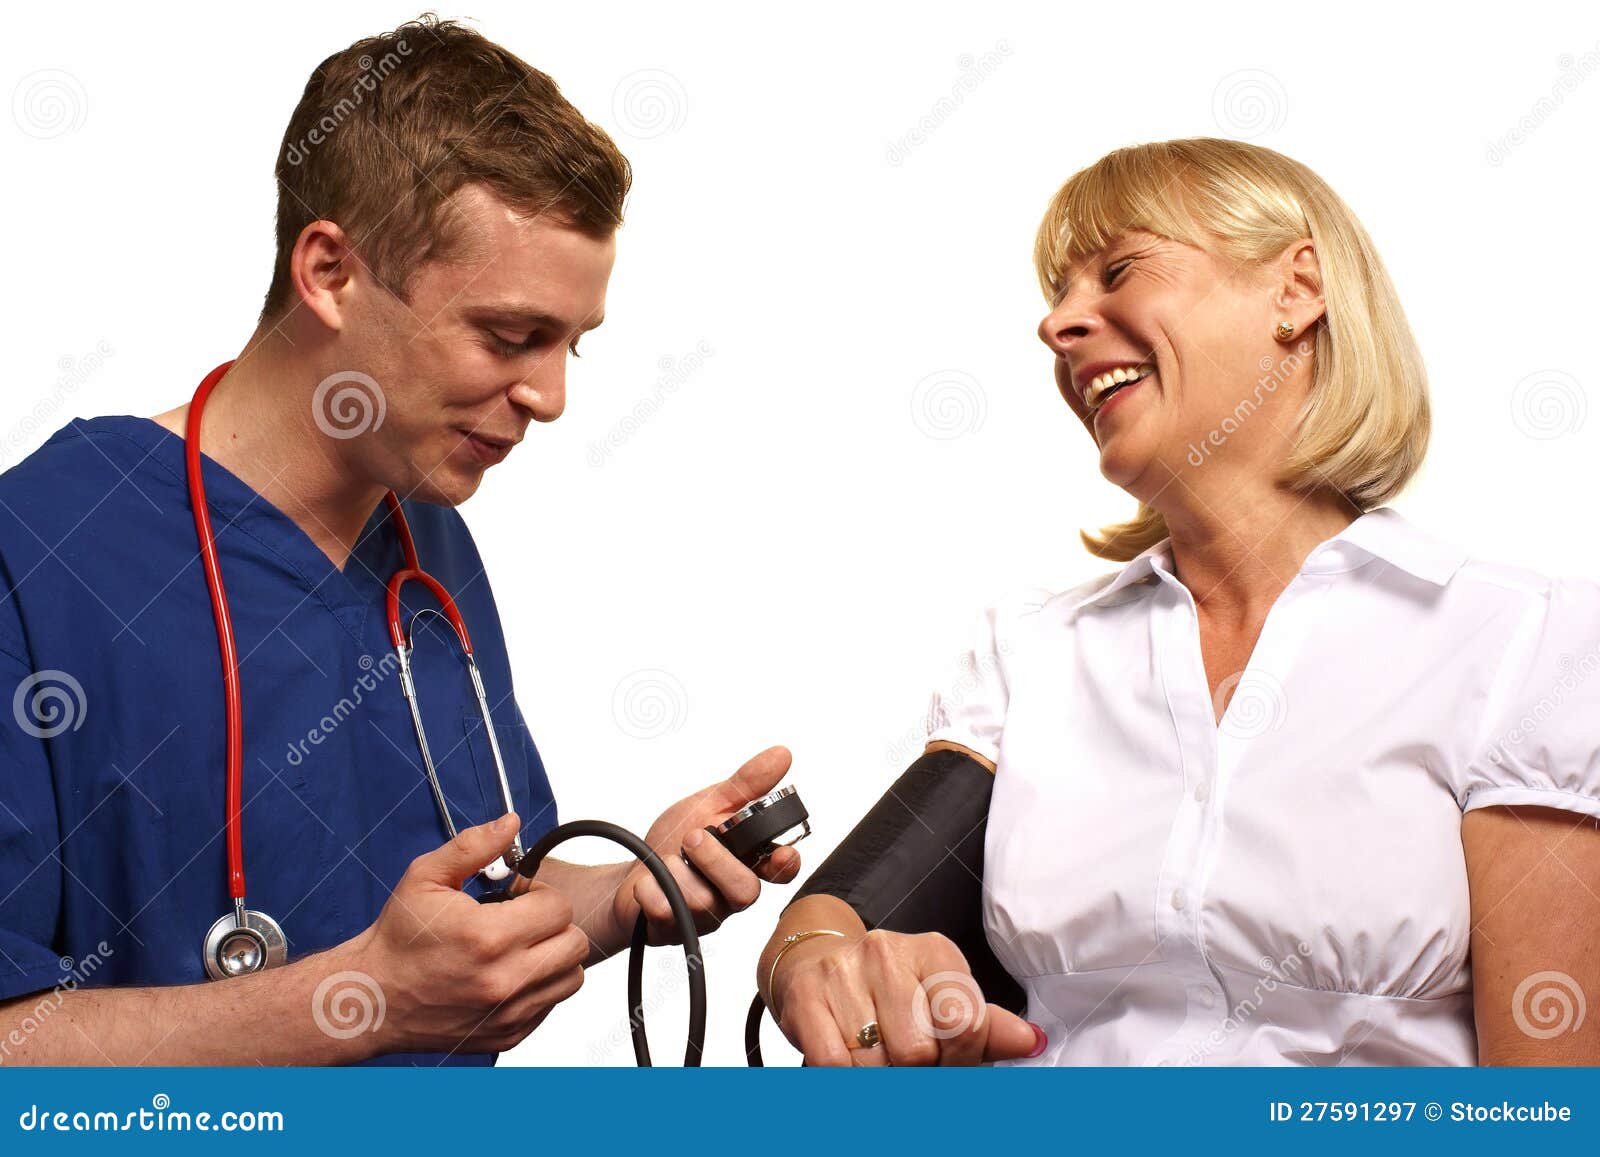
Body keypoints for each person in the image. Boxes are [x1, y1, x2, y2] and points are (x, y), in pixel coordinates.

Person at [0, 15, 799, 1066]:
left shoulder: (424, 543)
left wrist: (624, 892)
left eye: (571, 344)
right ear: (329, 271)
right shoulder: (43, 554)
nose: (551, 397)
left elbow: (473, 905)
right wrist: (355, 1000)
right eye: (510, 336)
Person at [758, 137, 1600, 1067]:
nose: (1058, 324)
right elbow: (842, 908)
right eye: (1056, 295)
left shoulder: (1521, 641)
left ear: (1297, 290)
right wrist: (813, 960)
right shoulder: (1031, 652)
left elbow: (1546, 1109)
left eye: (1119, 270)